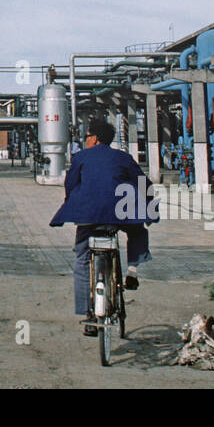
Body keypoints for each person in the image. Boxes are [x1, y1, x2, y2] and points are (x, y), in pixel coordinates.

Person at [49, 118, 157, 333]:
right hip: (121, 213)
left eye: (86, 136)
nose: (85, 140)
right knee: (138, 231)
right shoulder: (123, 157)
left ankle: (88, 312)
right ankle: (133, 269)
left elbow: (70, 186)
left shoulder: (80, 157)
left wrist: (74, 204)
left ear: (94, 138)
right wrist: (149, 207)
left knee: (81, 258)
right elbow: (144, 184)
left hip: (88, 215)